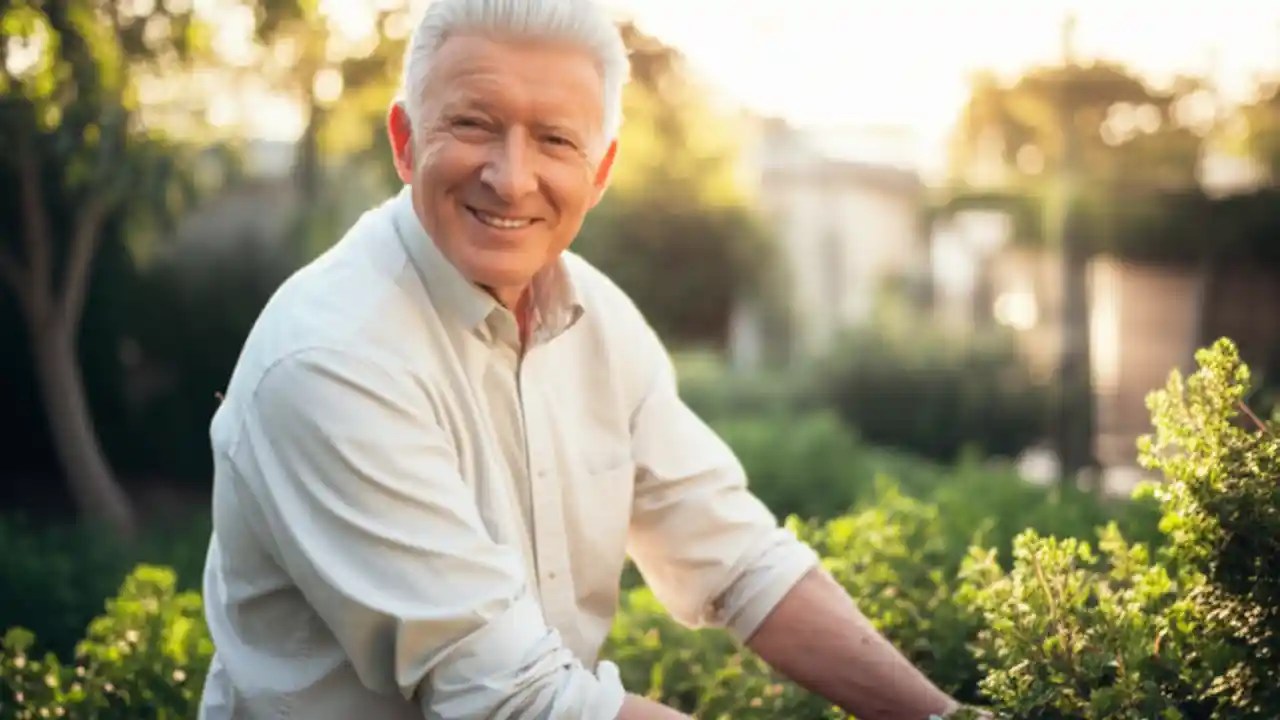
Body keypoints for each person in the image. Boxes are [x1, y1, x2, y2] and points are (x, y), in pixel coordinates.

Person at [197, 0, 968, 718]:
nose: (511, 175)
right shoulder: (331, 358)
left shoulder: (597, 319)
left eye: (556, 139)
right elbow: (517, 702)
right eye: (472, 124)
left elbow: (739, 561)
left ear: (599, 172)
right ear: (405, 142)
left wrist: (946, 717)